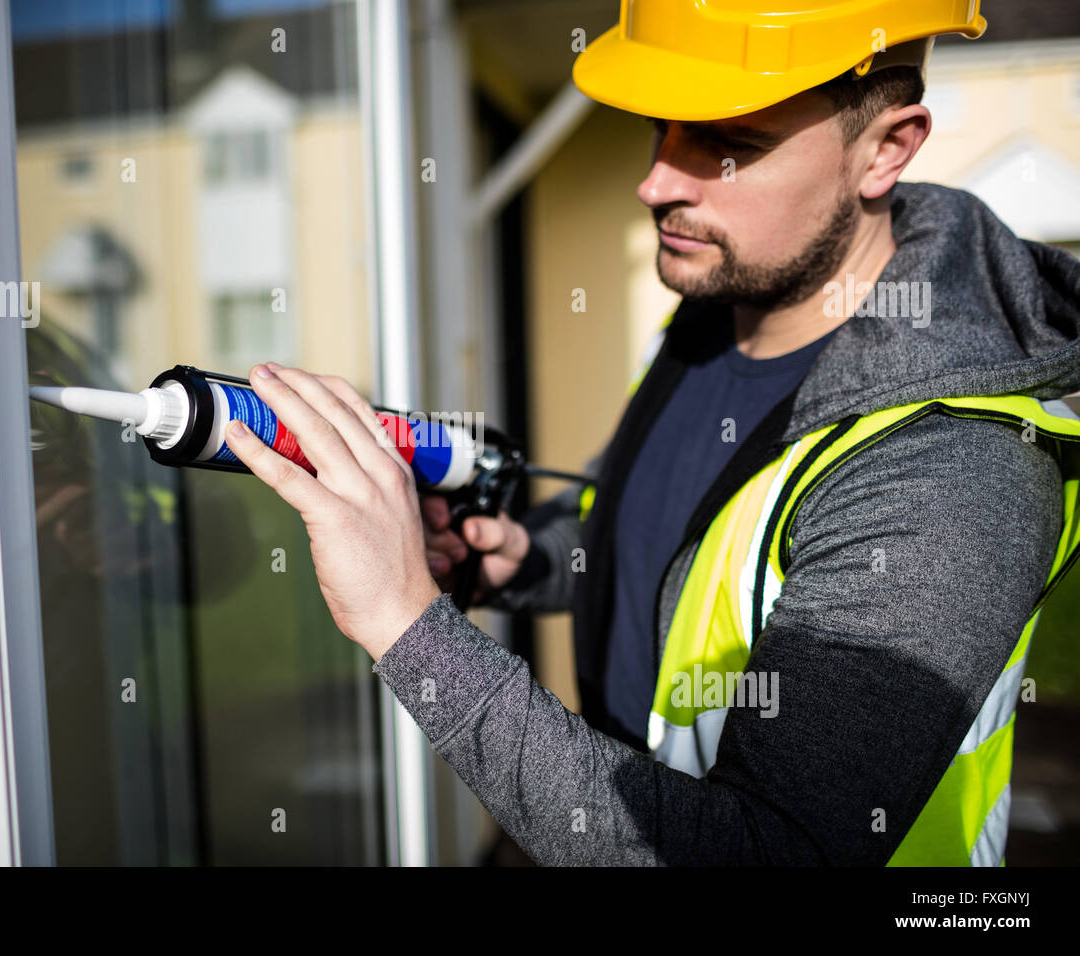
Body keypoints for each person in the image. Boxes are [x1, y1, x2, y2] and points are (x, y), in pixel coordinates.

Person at [223, 0, 1080, 865]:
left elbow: (765, 855)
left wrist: (404, 621)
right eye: (660, 127)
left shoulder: (953, 468)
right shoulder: (713, 311)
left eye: (726, 142)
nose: (657, 181)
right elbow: (663, 530)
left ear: (886, 148)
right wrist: (535, 558)